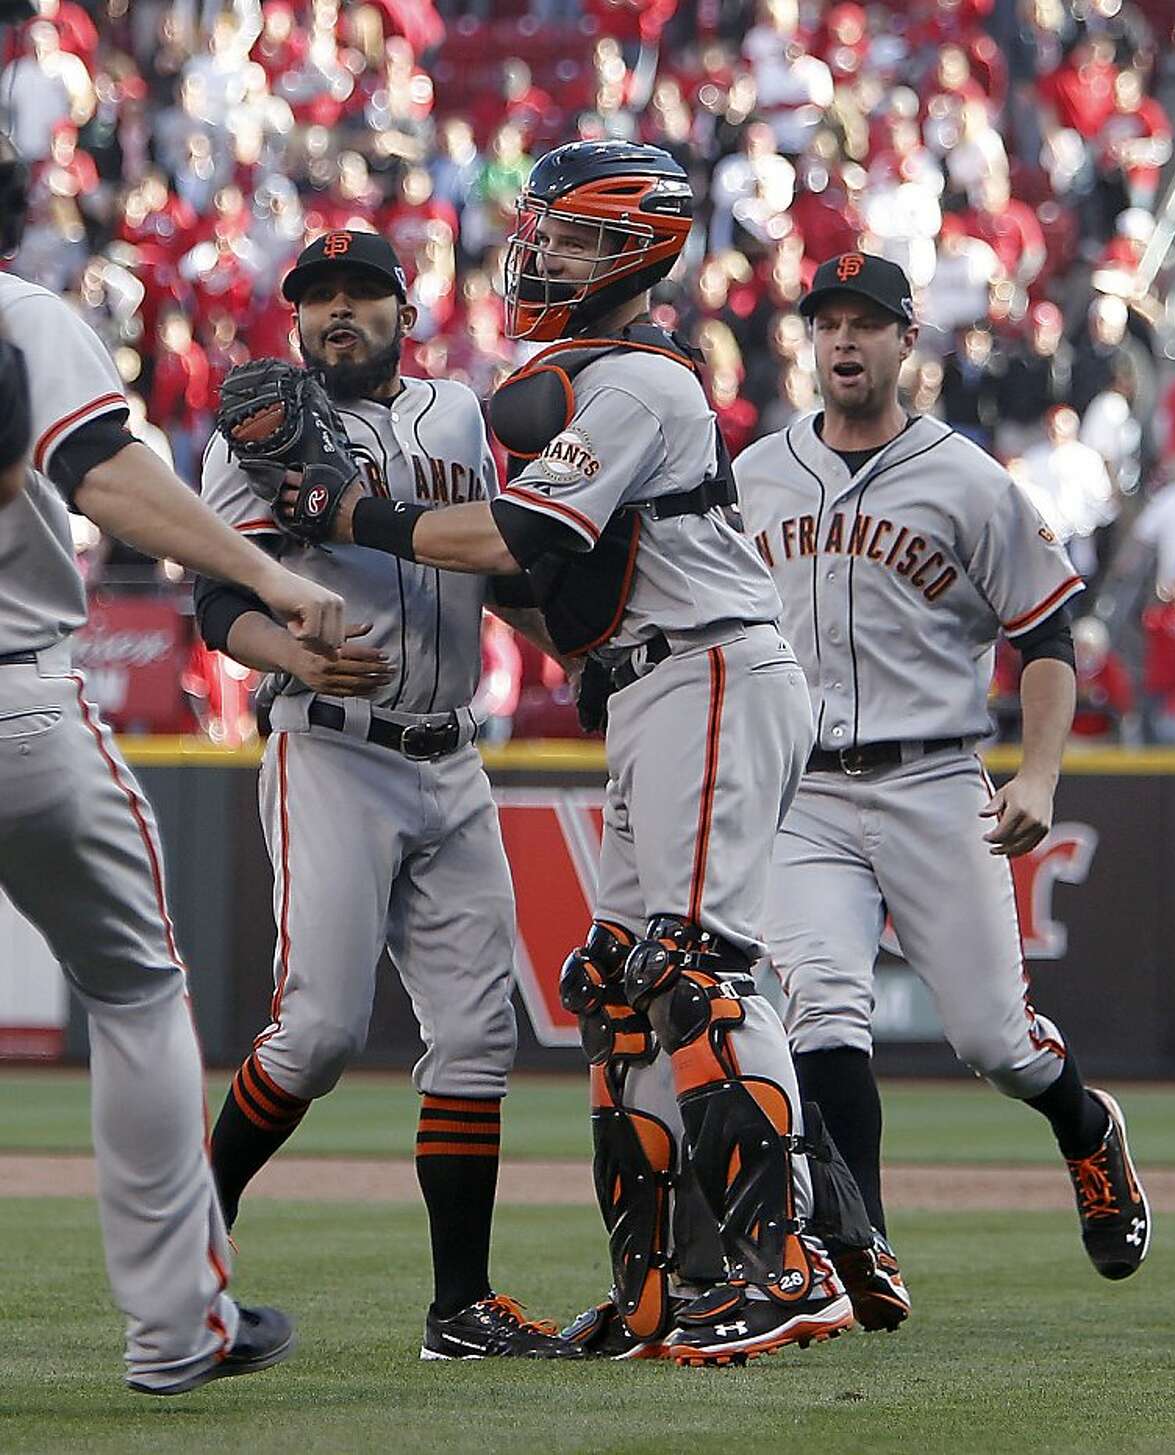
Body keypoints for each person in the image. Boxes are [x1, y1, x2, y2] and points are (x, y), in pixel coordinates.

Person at [282, 141, 856, 1367]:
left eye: (575, 236)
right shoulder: (601, 377)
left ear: (637, 247)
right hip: (655, 683)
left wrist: (345, 510)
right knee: (622, 992)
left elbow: (518, 529)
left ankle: (790, 1270)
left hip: (709, 665)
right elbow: (542, 576)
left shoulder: (644, 381)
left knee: (697, 972)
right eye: (546, 233)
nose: (543, 254)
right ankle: (669, 1289)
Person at [734, 252, 1152, 1328]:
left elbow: (1047, 636)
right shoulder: (757, 475)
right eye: (827, 322)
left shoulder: (967, 478)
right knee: (821, 1005)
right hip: (804, 790)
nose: (843, 341)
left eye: (865, 322)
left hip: (931, 780)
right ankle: (857, 1241)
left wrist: (1043, 772)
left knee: (993, 1042)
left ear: (906, 340)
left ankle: (1085, 1129)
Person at [0, 136, 348, 1395]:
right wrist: (264, 570)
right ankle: (177, 1331)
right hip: (17, 708)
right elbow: (102, 472)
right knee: (139, 990)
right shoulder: (22, 314)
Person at [194, 228, 577, 1362]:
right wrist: (294, 656)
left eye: (362, 294)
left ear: (406, 313)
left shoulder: (459, 414)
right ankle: (184, 1245)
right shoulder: (258, 436)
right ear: (297, 318)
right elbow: (218, 608)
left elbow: (495, 566)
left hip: (452, 755)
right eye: (319, 299)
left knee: (475, 1038)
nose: (338, 314)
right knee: (314, 1036)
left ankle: (461, 1308)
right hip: (334, 748)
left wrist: (575, 653)